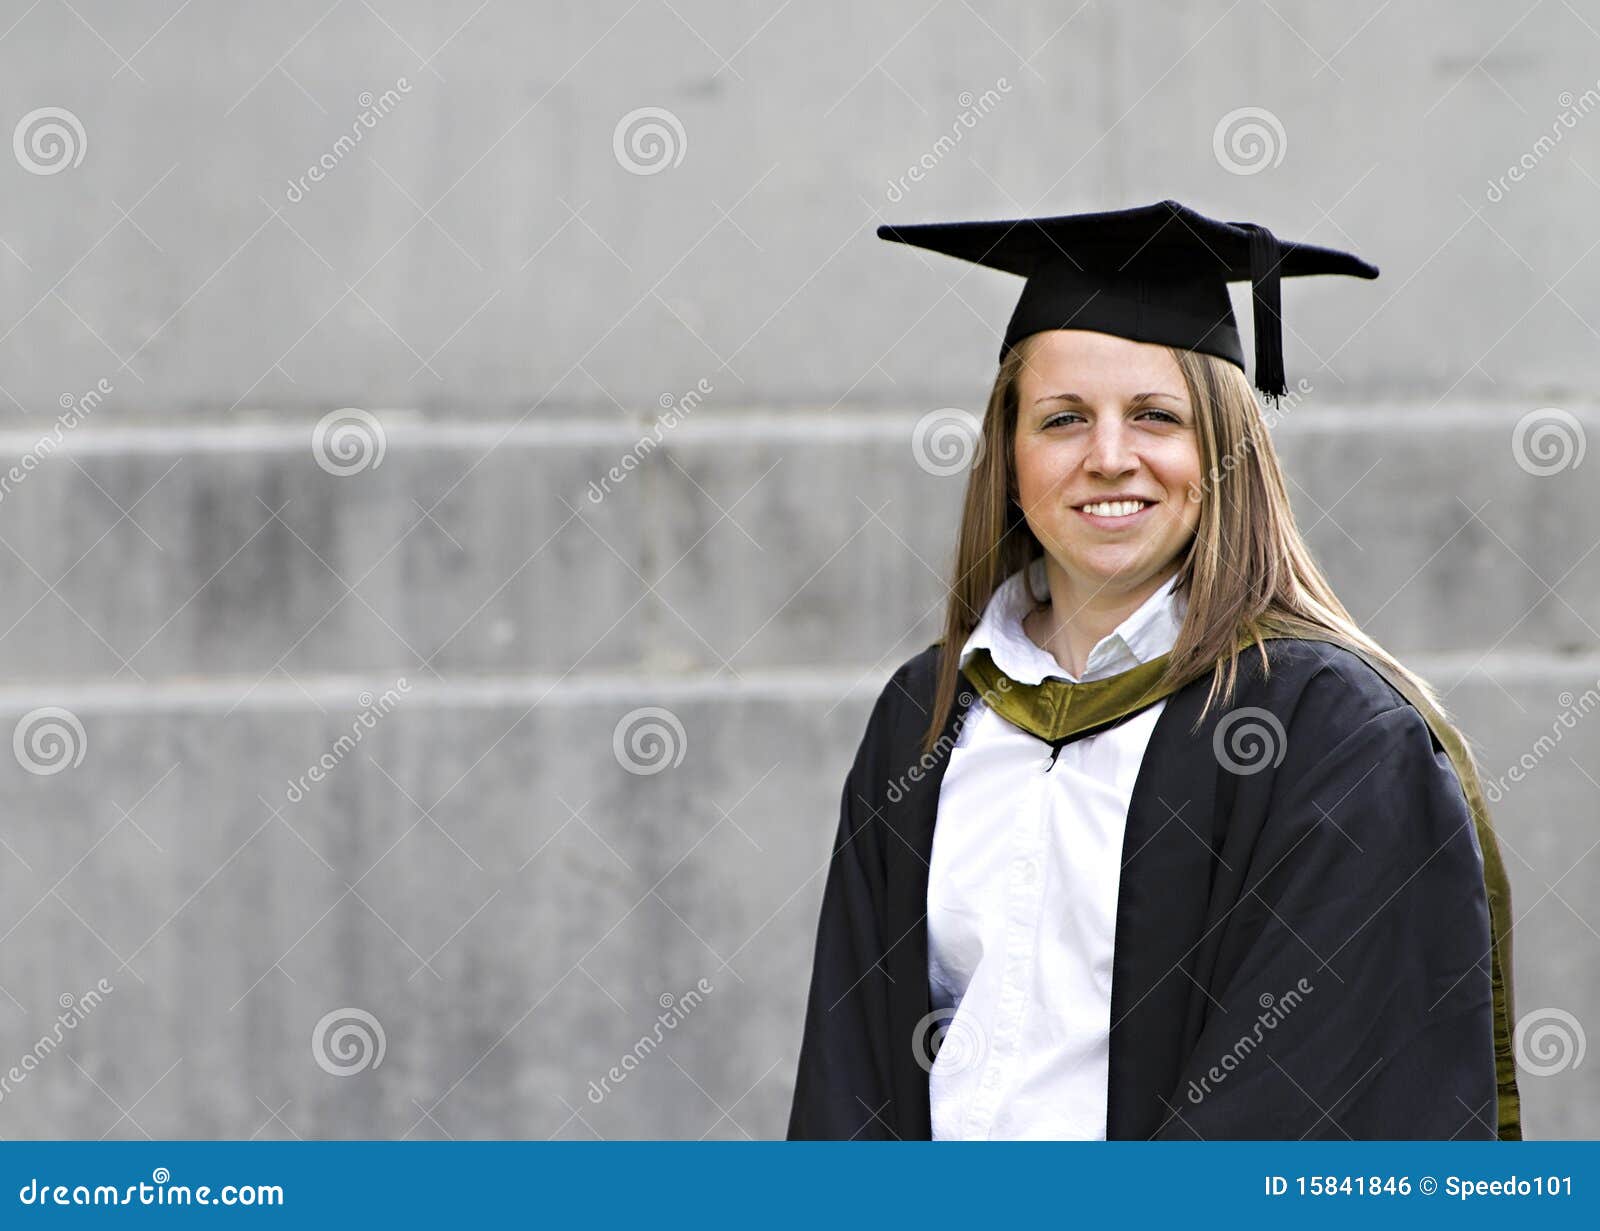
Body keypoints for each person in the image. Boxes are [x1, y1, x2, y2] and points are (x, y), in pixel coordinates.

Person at [786, 200, 1520, 1141]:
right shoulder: (926, 716)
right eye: (1062, 419)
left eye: (1154, 416)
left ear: (1224, 452)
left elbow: (1313, 1096)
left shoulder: (1330, 735)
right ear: (1009, 458)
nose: (1108, 456)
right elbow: (851, 1072)